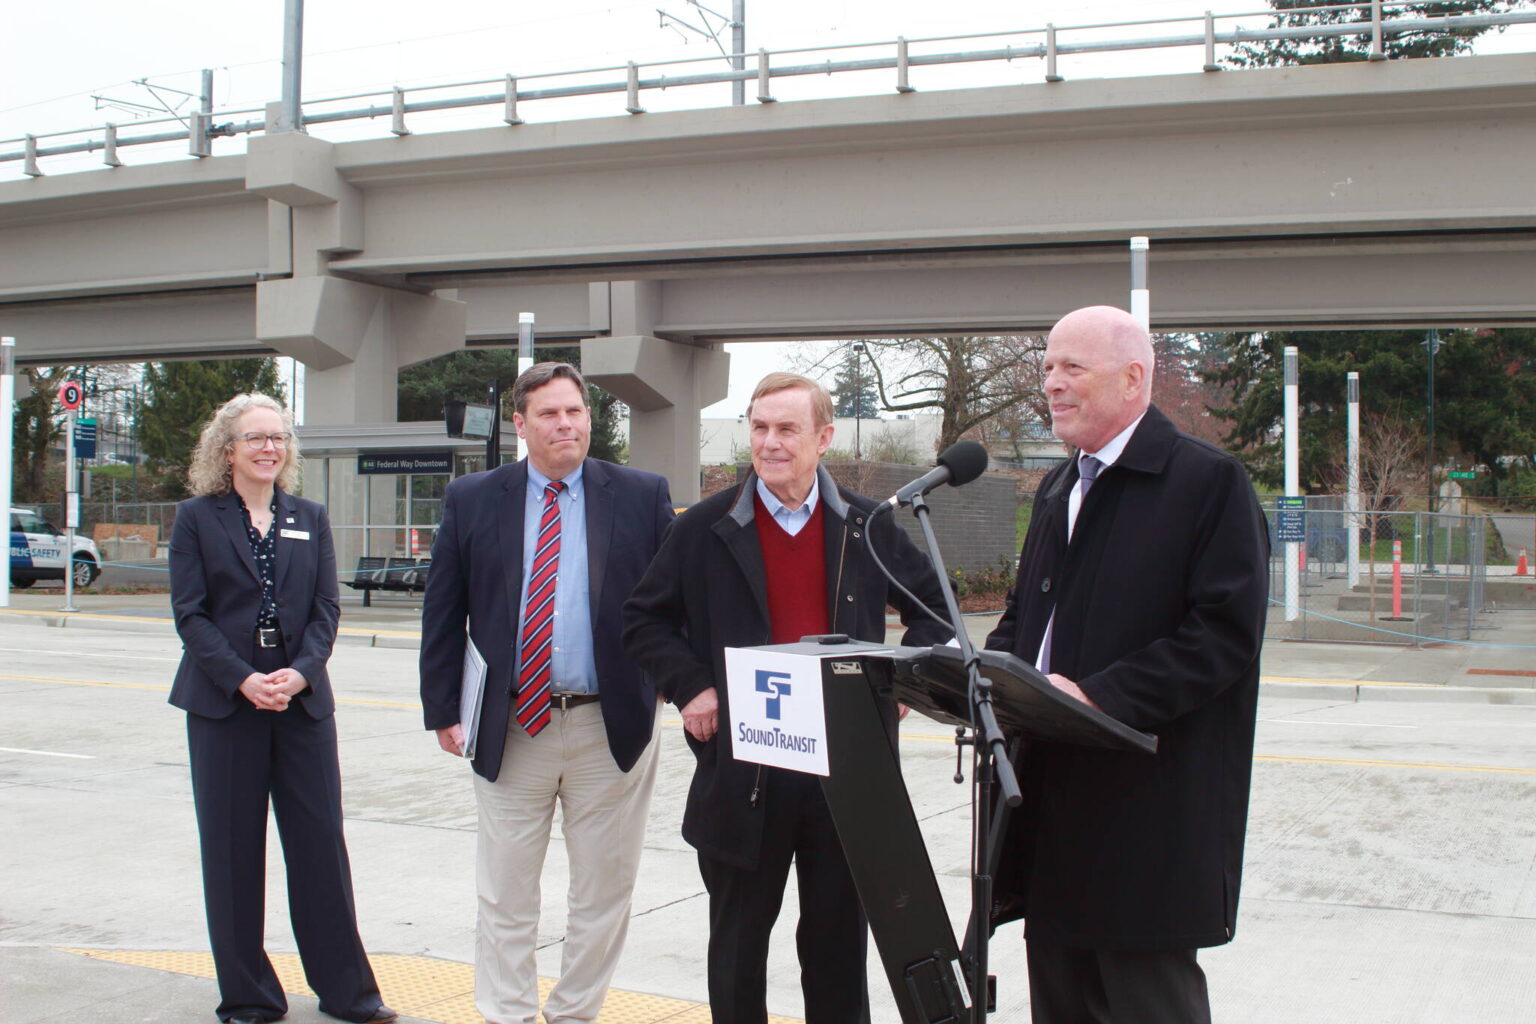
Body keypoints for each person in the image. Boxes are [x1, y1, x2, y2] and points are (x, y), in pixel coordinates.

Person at [622, 371, 952, 1024]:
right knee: (738, 954)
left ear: (824, 437)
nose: (769, 443)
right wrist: (691, 687)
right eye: (759, 427)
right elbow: (643, 619)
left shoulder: (866, 526)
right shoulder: (706, 527)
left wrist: (904, 678)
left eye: (787, 429)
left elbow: (934, 609)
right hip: (745, 775)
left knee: (836, 953)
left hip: (846, 778)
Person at [984, 306, 1270, 1024]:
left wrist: (1096, 697)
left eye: (1071, 368)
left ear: (1134, 379)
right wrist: (982, 678)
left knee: (1144, 1002)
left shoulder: (1208, 484)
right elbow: (1027, 621)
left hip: (1146, 817)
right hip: (1049, 810)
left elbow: (1223, 637)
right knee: (1060, 999)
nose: (1051, 383)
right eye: (1046, 367)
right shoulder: (1060, 488)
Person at [419, 362, 673, 1024]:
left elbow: (677, 604)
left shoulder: (641, 496)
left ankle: (573, 1014)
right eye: (550, 413)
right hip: (511, 726)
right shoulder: (474, 498)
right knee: (505, 892)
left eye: (575, 412)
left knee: (603, 892)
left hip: (608, 727)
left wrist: (683, 686)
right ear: (521, 423)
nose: (565, 424)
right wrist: (444, 709)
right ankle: (506, 1014)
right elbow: (444, 612)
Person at [168, 393, 394, 1024]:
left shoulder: (309, 517)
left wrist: (300, 672)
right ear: (227, 449)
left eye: (280, 438)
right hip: (224, 704)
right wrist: (243, 679)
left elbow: (326, 609)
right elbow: (191, 615)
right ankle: (249, 995)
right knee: (234, 852)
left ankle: (349, 993)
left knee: (321, 846)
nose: (270, 448)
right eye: (256, 438)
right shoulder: (196, 519)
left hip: (301, 704)